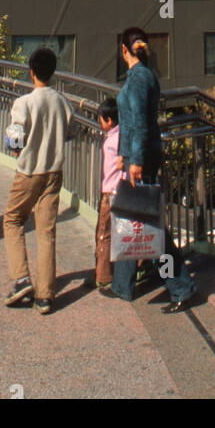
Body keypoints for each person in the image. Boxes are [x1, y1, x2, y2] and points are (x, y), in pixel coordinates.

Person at [101, 29, 197, 312]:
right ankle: (122, 284)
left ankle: (181, 286)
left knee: (149, 225)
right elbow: (132, 123)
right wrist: (125, 155)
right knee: (133, 218)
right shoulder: (140, 75)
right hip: (135, 156)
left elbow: (141, 122)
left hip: (143, 160)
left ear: (124, 50)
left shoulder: (140, 78)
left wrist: (136, 160)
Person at [3, 47, 76, 315]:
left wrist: (15, 144)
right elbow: (72, 132)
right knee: (46, 231)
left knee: (12, 219)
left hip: (29, 171)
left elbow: (14, 140)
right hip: (54, 171)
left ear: (31, 71)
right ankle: (45, 295)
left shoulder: (23, 103)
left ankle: (22, 278)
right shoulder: (62, 101)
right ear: (53, 72)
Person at [89, 98, 121, 290]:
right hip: (122, 191)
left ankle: (103, 275)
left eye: (100, 119)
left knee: (103, 233)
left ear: (108, 120)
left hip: (110, 191)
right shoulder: (123, 136)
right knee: (120, 232)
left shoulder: (112, 140)